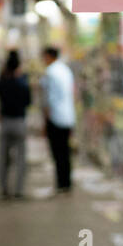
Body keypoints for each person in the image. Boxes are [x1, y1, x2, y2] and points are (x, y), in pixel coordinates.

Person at [0, 50, 31, 199]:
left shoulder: (2, 82)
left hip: (5, 122)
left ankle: (4, 189)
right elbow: (28, 102)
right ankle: (19, 190)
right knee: (21, 159)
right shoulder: (23, 82)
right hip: (19, 122)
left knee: (3, 159)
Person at [40, 47, 76, 194]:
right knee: (65, 151)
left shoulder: (50, 72)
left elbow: (48, 99)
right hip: (67, 116)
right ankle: (66, 182)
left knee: (58, 152)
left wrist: (45, 121)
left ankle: (62, 183)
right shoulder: (65, 70)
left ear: (48, 56)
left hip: (55, 117)